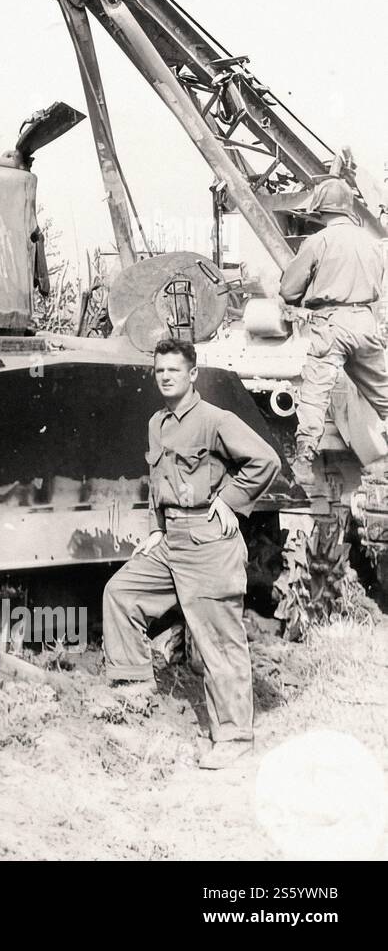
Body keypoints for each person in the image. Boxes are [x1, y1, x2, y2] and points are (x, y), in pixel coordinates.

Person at [103, 338, 279, 770]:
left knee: (218, 639)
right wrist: (156, 531)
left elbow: (266, 460)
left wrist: (231, 500)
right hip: (172, 540)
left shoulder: (214, 419)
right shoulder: (156, 423)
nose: (165, 376)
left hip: (208, 540)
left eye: (174, 370)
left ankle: (234, 735)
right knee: (121, 592)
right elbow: (157, 479)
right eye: (159, 370)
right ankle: (134, 692)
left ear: (192, 374)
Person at [279, 178, 388, 487]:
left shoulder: (318, 242)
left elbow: (289, 289)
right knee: (383, 392)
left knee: (314, 394)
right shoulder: (370, 241)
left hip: (332, 323)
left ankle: (303, 462)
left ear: (320, 208)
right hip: (365, 322)